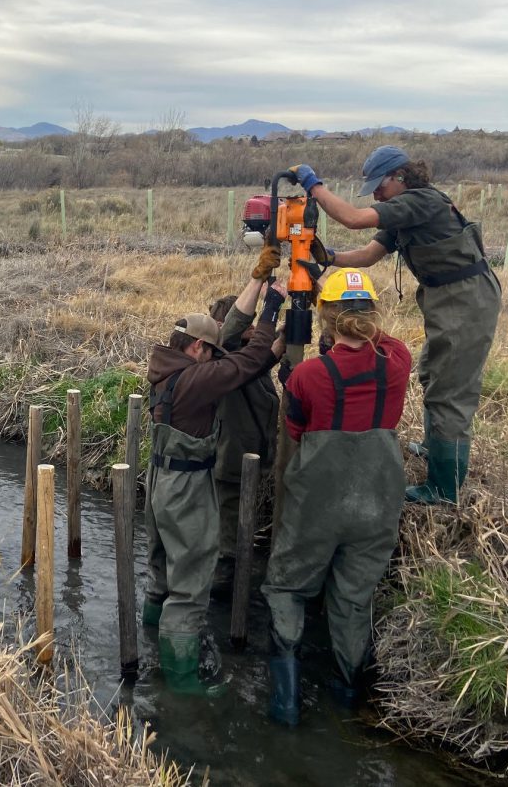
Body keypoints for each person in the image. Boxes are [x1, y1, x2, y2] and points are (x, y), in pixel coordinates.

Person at [288, 148, 501, 504]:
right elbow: (368, 255)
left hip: (466, 299)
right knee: (433, 373)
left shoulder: (421, 201)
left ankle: (443, 490)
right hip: (445, 298)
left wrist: (313, 184)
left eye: (379, 186)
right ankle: (435, 448)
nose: (375, 194)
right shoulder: (404, 212)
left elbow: (353, 219)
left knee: (450, 392)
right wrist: (327, 259)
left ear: (400, 177)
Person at [261, 268, 411, 726]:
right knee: (353, 599)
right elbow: (382, 340)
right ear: (373, 314)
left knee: (287, 587)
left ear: (325, 318)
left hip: (318, 505)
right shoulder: (397, 361)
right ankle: (347, 699)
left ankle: (285, 706)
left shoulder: (308, 376)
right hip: (377, 502)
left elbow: (295, 431)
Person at [143, 275, 286, 694]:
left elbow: (246, 361)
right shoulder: (196, 380)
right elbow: (245, 362)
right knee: (189, 588)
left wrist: (259, 287)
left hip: (160, 482)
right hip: (186, 490)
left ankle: (150, 640)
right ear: (196, 348)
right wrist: (272, 307)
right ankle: (183, 685)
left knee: (161, 574)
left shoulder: (166, 371)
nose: (214, 357)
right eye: (210, 351)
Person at [207, 278, 280, 599]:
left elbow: (263, 359)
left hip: (248, 462)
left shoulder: (244, 362)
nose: (252, 329)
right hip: (230, 465)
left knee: (237, 531)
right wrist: (270, 308)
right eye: (247, 323)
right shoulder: (222, 361)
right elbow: (238, 343)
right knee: (228, 540)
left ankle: (231, 585)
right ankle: (222, 594)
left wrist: (283, 334)